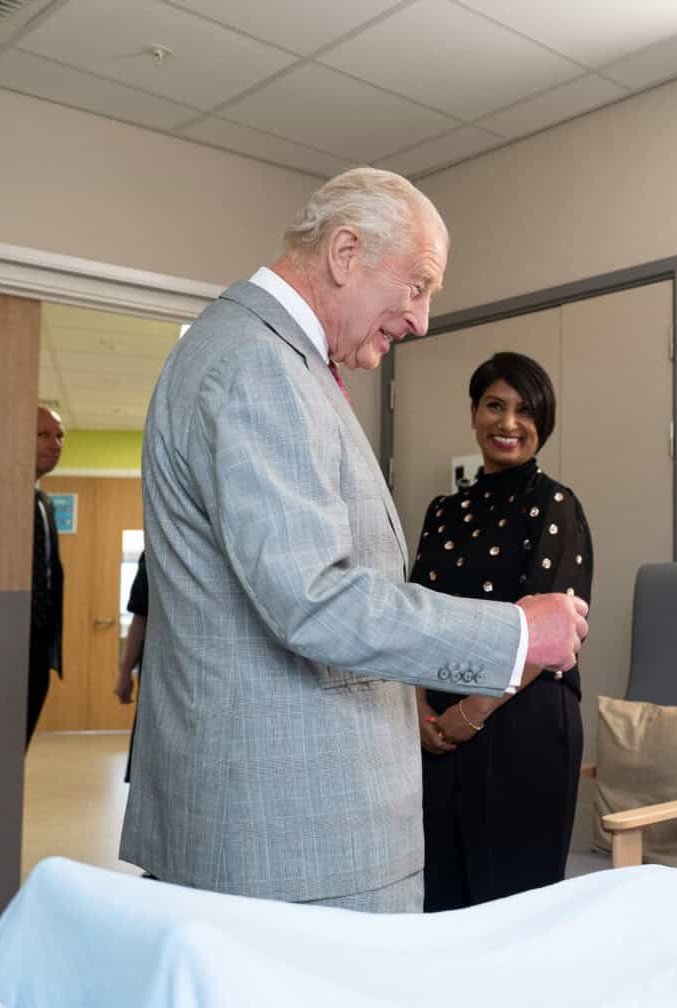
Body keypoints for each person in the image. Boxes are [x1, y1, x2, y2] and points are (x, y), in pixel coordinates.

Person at [121, 168, 589, 913]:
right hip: (290, 835)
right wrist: (516, 633)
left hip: (288, 822)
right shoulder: (258, 366)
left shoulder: (279, 363)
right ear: (345, 253)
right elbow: (314, 601)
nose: (423, 319)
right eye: (418, 286)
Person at [410, 352, 594, 910]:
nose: (507, 423)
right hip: (436, 726)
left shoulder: (554, 505)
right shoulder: (443, 511)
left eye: (524, 410)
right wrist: (418, 707)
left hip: (523, 724)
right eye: (494, 405)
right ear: (473, 413)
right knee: (439, 896)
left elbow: (551, 637)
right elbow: (414, 613)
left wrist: (473, 711)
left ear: (544, 423)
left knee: (511, 905)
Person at [27, 405, 65, 749]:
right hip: (3, 643)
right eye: (43, 435)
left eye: (59, 436)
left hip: (38, 646)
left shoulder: (45, 504)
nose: (55, 444)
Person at [113, 552, 148, 782]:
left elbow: (140, 618)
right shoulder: (154, 553)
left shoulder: (156, 550)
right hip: (161, 670)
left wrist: (125, 673)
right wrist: (125, 672)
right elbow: (141, 615)